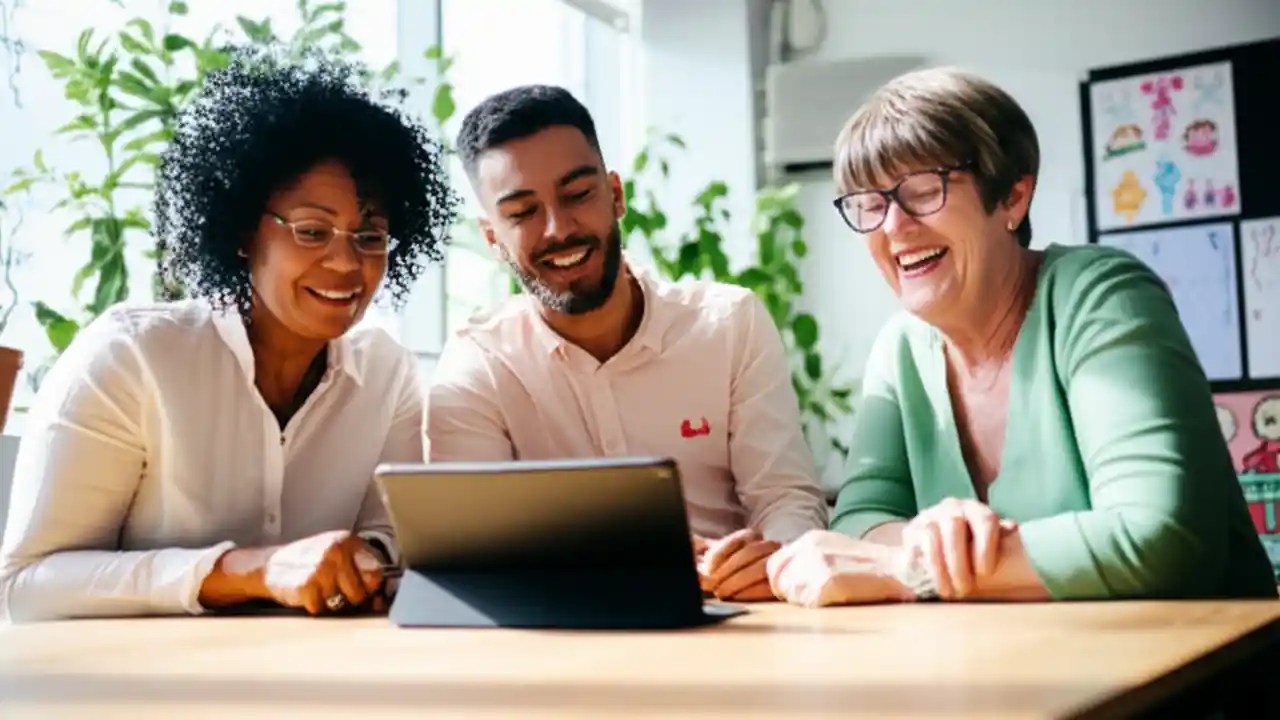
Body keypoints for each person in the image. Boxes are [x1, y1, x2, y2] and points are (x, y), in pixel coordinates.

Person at [767, 67, 1277, 607]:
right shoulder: (901, 349)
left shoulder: (1102, 295)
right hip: (1031, 655)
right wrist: (932, 543)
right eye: (871, 205)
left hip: (1203, 655)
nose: (893, 226)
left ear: (1013, 197)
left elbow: (1162, 535)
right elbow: (858, 522)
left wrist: (913, 566)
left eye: (924, 191)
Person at [0, 46, 459, 622]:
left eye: (369, 237)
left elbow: (388, 541)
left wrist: (369, 558)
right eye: (312, 231)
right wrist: (252, 570)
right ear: (243, 232)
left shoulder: (387, 375)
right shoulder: (133, 358)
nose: (346, 263)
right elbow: (28, 586)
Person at [428, 85, 827, 602]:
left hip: (736, 616)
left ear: (615, 195)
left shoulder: (731, 324)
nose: (558, 229)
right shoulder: (477, 365)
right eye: (523, 212)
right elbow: (473, 554)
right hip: (566, 628)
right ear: (493, 239)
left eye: (578, 195)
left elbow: (787, 499)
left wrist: (776, 556)